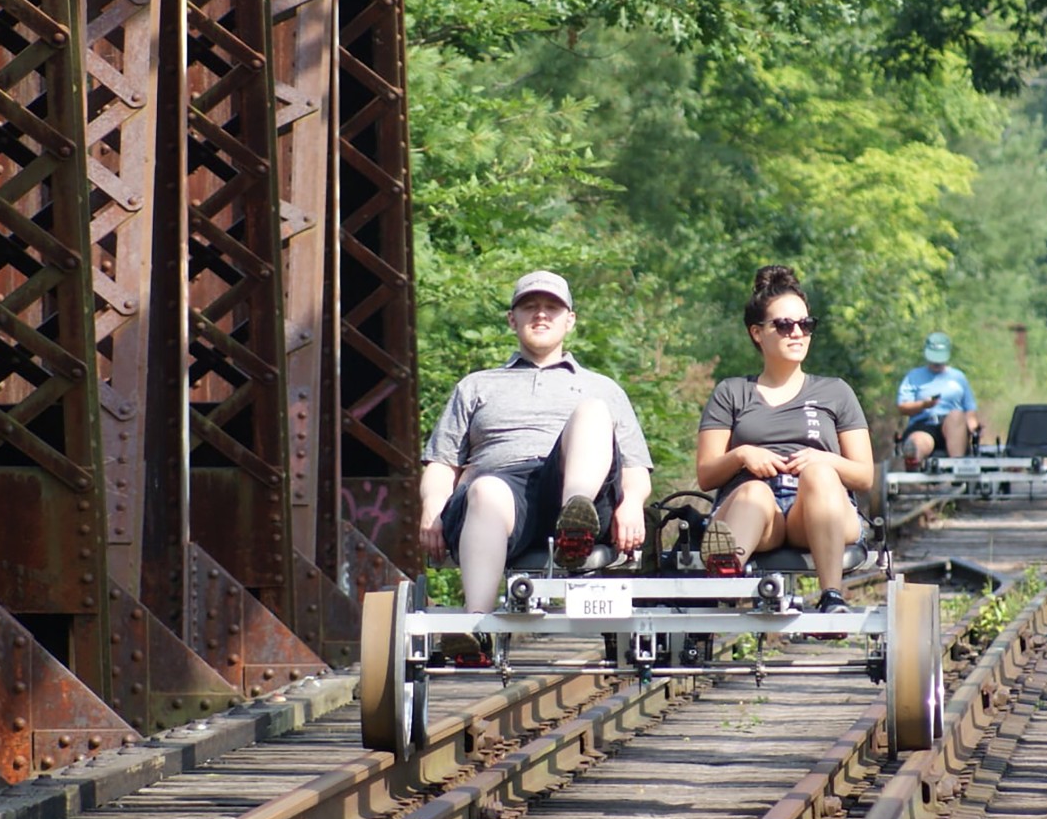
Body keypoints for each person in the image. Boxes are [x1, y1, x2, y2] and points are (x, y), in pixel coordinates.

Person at [418, 271, 653, 630]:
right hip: (503, 501)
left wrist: (633, 503)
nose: (540, 314)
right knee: (484, 488)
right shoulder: (476, 385)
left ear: (570, 320)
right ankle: (477, 628)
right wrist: (433, 509)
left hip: (579, 489)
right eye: (530, 307)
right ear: (513, 320)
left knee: (591, 411)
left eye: (552, 308)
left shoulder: (603, 388)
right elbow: (441, 463)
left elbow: (635, 470)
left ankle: (575, 519)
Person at [695, 265, 874, 618]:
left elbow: (865, 476)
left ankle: (831, 596)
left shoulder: (835, 391)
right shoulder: (732, 392)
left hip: (821, 509)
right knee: (754, 491)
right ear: (757, 333)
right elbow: (706, 474)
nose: (797, 333)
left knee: (821, 475)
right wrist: (742, 456)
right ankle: (721, 582)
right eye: (784, 325)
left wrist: (823, 461)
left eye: (805, 325)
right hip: (762, 516)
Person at [897, 330, 979, 465]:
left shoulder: (958, 377)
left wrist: (973, 429)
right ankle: (914, 455)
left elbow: (970, 411)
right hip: (923, 424)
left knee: (956, 415)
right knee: (919, 440)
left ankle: (957, 466)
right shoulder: (913, 376)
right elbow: (902, 407)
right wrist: (923, 405)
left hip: (952, 427)